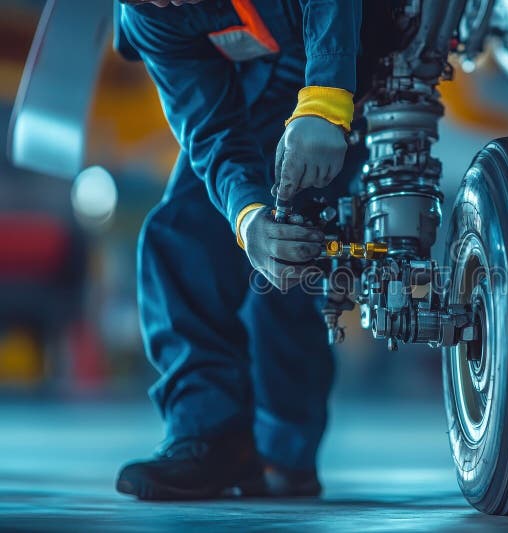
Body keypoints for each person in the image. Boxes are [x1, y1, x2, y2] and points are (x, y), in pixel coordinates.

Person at [114, 0, 365, 500]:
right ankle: (209, 439)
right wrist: (248, 219)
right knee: (181, 238)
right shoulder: (150, 18)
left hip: (357, 56)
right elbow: (210, 132)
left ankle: (284, 453)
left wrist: (327, 100)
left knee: (292, 279)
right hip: (265, 93)